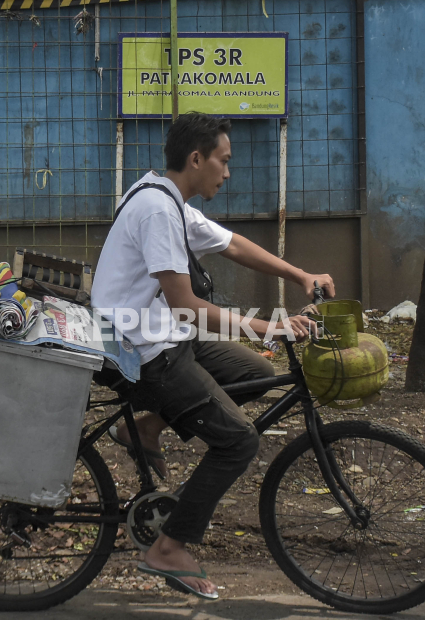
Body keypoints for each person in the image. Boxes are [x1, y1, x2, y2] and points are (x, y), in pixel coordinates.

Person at [90, 112, 336, 600]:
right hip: (139, 350)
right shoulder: (160, 211)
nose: (227, 172)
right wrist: (271, 326)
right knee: (240, 443)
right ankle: (168, 547)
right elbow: (187, 304)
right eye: (223, 161)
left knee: (258, 372)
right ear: (196, 158)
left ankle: (146, 427)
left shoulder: (165, 196)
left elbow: (233, 245)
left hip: (160, 333)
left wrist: (299, 275)